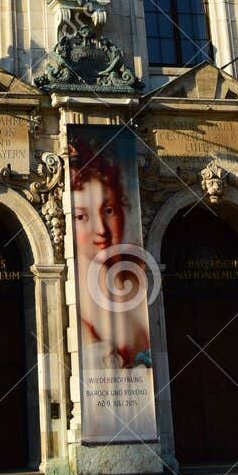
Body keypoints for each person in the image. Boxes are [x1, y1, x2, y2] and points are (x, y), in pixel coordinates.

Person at [69, 138, 151, 370]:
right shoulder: (78, 315)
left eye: (108, 210)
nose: (101, 230)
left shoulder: (143, 277)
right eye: (81, 217)